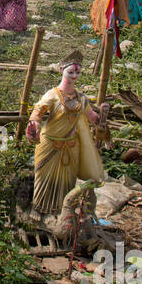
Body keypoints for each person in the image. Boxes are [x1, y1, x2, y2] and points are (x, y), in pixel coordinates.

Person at [25, 51, 106, 214]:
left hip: (71, 146)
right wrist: (35, 125)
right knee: (44, 180)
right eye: (71, 72)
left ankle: (62, 213)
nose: (74, 75)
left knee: (67, 182)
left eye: (77, 72)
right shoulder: (53, 95)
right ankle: (40, 212)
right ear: (62, 70)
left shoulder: (82, 98)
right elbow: (38, 112)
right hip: (50, 145)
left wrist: (102, 119)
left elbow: (92, 117)